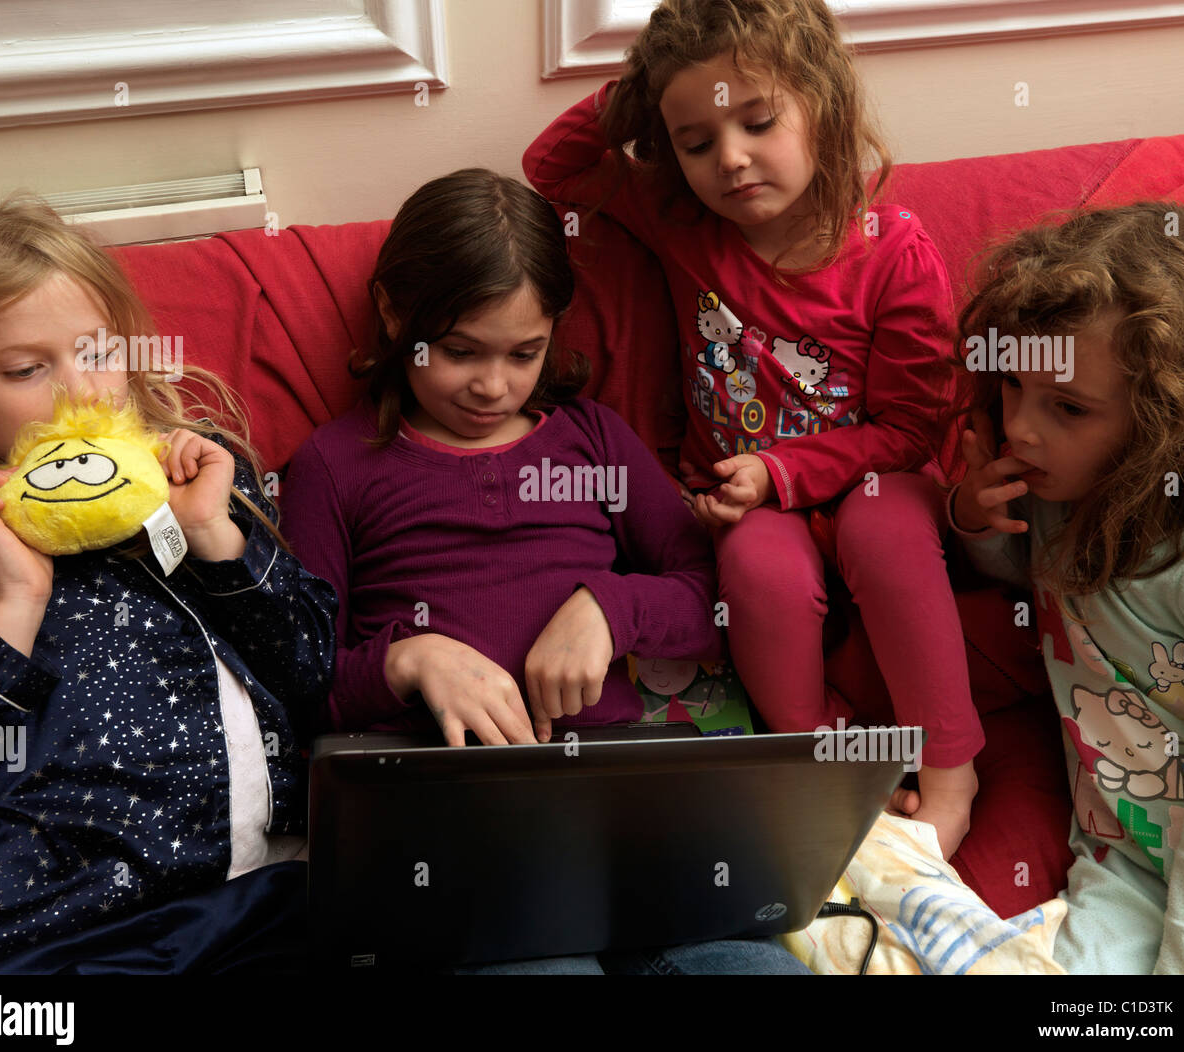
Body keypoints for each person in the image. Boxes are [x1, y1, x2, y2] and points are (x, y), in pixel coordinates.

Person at [281, 167, 809, 973]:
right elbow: (302, 678)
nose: (492, 385)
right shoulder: (334, 464)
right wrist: (408, 659)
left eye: (524, 353)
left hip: (630, 821)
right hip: (462, 838)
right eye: (458, 351)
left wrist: (610, 607)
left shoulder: (593, 439)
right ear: (392, 312)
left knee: (755, 968)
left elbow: (709, 598)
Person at [523, 0, 980, 857]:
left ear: (824, 105)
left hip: (870, 481)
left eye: (759, 122)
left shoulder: (890, 250)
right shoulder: (683, 223)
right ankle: (820, 759)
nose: (729, 158)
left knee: (884, 531)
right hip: (746, 506)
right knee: (757, 567)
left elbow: (911, 428)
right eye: (695, 141)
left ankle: (952, 771)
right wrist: (647, 83)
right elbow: (550, 164)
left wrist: (784, 469)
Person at [0, 199, 337, 973]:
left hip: (260, 906)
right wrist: (13, 603)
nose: (82, 394)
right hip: (44, 941)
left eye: (97, 352)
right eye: (26, 370)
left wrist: (213, 535)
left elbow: (314, 675)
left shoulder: (201, 475)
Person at [949, 201, 1184, 974]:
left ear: (1171, 420)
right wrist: (974, 514)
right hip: (1126, 860)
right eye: (1012, 385)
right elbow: (1017, 572)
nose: (1021, 429)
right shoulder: (1054, 496)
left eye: (1067, 407)